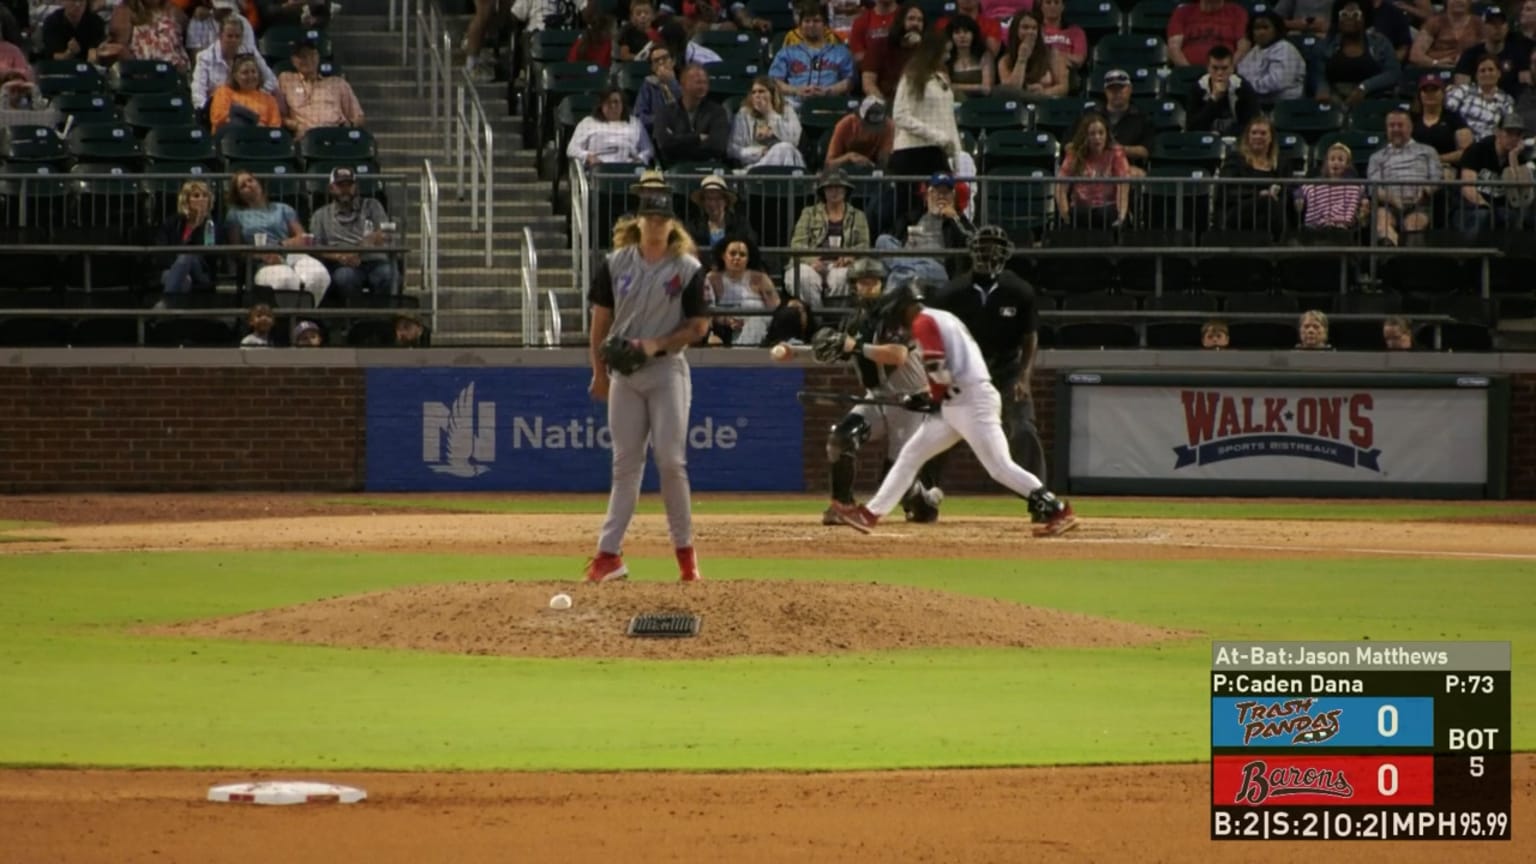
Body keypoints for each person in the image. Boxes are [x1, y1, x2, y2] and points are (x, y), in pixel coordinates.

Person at [824, 277, 1078, 537]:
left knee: (999, 467)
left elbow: (937, 367)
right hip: (958, 400)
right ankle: (869, 514)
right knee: (910, 456)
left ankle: (1057, 510)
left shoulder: (923, 321)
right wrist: (934, 399)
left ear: (906, 307)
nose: (898, 322)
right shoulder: (944, 317)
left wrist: (932, 398)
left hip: (971, 401)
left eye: (898, 314)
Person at [585, 170, 712, 584]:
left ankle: (686, 556)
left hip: (665, 370)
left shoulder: (687, 268)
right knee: (625, 465)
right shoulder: (615, 263)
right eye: (650, 218)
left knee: (671, 461)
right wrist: (598, 373)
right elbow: (599, 324)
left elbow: (699, 327)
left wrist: (655, 344)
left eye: (662, 219)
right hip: (624, 374)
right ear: (638, 222)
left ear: (672, 224)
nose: (656, 224)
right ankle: (608, 555)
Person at [792, 258, 945, 525]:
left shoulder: (897, 315)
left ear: (883, 285)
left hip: (911, 402)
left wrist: (854, 346)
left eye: (874, 282)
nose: (868, 287)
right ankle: (842, 506)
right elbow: (839, 350)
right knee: (841, 438)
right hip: (878, 398)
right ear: (854, 287)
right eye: (863, 282)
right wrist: (794, 351)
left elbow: (897, 355)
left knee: (893, 480)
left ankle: (925, 501)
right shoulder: (854, 322)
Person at [930, 226, 1047, 490]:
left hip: (1007, 368)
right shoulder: (951, 293)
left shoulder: (1019, 290)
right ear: (973, 251)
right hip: (964, 373)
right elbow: (936, 338)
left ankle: (1038, 495)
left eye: (995, 246)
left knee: (1023, 428)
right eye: (984, 246)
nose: (989, 252)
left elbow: (1030, 337)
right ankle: (924, 495)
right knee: (937, 431)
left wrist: (1024, 377)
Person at [224, 170, 332, 306]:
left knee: (319, 276)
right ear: (239, 195)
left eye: (250, 180)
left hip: (291, 253)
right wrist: (260, 255)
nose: (249, 185)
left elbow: (302, 237)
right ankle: (290, 317)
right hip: (262, 260)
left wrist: (286, 244)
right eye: (243, 186)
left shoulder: (283, 208)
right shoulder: (235, 214)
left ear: (258, 182)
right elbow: (237, 251)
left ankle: (304, 314)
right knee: (286, 280)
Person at [889, 31, 963, 221]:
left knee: (944, 209)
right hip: (911, 153)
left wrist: (956, 153)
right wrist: (936, 135)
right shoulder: (911, 76)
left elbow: (948, 119)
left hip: (938, 152)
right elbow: (900, 115)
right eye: (944, 52)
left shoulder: (942, 79)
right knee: (909, 211)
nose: (947, 57)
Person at [310, 167, 398, 301]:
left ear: (355, 187)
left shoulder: (372, 205)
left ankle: (383, 311)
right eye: (340, 185)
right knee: (345, 277)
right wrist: (339, 256)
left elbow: (385, 232)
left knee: (388, 274)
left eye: (349, 185)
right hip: (343, 265)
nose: (345, 189)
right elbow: (315, 247)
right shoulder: (321, 215)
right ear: (331, 188)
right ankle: (355, 312)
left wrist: (362, 247)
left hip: (374, 261)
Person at [787, 168, 871, 307]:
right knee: (804, 277)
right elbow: (797, 244)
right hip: (811, 264)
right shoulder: (809, 213)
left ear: (845, 190)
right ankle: (816, 317)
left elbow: (864, 245)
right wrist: (812, 260)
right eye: (830, 187)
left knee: (842, 277)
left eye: (838, 187)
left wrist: (850, 256)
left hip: (842, 265)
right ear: (823, 191)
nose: (834, 191)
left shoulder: (858, 215)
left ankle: (836, 318)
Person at [876, 172, 975, 284]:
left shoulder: (958, 220)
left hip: (935, 265)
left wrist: (955, 219)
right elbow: (893, 239)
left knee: (902, 272)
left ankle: (901, 273)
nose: (941, 196)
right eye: (937, 192)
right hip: (908, 257)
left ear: (952, 196)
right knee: (883, 240)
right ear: (929, 194)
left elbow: (972, 241)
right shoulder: (913, 216)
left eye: (946, 193)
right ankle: (905, 269)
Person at [1368, 108, 1443, 244]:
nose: (1396, 129)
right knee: (1382, 223)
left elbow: (1436, 178)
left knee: (1413, 226)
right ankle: (1390, 252)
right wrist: (1393, 199)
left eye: (1400, 125)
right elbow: (1374, 187)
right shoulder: (1376, 157)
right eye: (1392, 126)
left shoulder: (1428, 151)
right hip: (1389, 204)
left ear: (1410, 128)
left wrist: (1425, 191)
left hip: (1420, 205)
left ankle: (1409, 255)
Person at [1457, 112, 1535, 238]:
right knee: (1484, 216)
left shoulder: (1519, 157)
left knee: (1523, 218)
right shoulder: (1478, 150)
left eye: (1518, 134)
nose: (1514, 138)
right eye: (1509, 132)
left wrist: (1513, 158)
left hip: (1502, 208)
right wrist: (1487, 208)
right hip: (1472, 207)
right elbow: (1468, 188)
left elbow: (1520, 196)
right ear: (1497, 132)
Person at [769, 3, 856, 109]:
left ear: (825, 25)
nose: (811, 25)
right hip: (795, 106)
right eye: (807, 21)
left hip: (831, 105)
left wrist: (828, 90)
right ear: (800, 26)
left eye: (816, 21)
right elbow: (774, 81)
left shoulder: (841, 52)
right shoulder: (787, 53)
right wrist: (796, 90)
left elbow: (850, 82)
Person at [279, 37, 366, 139]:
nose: (307, 59)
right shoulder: (286, 80)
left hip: (336, 132)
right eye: (302, 56)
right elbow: (280, 116)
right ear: (293, 61)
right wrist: (297, 126)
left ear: (317, 56)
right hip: (307, 137)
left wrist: (349, 126)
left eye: (311, 55)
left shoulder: (337, 83)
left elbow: (359, 117)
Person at [1055, 113, 1131, 229]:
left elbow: (1123, 186)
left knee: (1104, 215)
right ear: (1085, 136)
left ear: (1106, 135)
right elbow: (1061, 187)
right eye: (1092, 134)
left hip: (1108, 208)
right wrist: (1065, 216)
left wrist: (1121, 216)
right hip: (1081, 209)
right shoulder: (1074, 153)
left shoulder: (1116, 153)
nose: (1097, 138)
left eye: (1101, 133)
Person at [1317, 0, 1400, 107]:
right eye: (1344, 15)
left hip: (1373, 101)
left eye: (1356, 15)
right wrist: (1322, 89)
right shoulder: (1327, 44)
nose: (1349, 19)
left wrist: (1364, 87)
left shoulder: (1380, 43)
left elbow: (1393, 73)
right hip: (1334, 101)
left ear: (1365, 18)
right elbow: (1318, 73)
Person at [1216, 115, 1286, 234]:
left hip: (1270, 212)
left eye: (1263, 133)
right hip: (1239, 210)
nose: (1258, 136)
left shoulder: (1280, 162)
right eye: (1254, 133)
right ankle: (1279, 241)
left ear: (1271, 138)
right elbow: (1227, 189)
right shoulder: (1235, 159)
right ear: (1248, 137)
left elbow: (1287, 188)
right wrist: (1258, 194)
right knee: (1268, 201)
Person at [705, 236, 779, 346]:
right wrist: (727, 320)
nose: (737, 258)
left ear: (748, 259)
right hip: (726, 329)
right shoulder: (712, 278)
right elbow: (707, 308)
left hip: (760, 326)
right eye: (733, 253)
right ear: (723, 256)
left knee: (756, 321)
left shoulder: (760, 278)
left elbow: (776, 308)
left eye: (742, 255)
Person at [192, 17, 276, 114]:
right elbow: (198, 92)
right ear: (220, 36)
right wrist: (207, 111)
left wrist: (257, 96)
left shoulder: (250, 51)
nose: (234, 40)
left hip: (250, 108)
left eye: (237, 36)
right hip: (218, 109)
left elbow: (271, 80)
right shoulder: (204, 57)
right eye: (230, 36)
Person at [652, 63, 731, 165]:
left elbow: (718, 146)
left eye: (705, 82)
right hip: (674, 168)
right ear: (683, 84)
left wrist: (679, 142)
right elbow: (664, 144)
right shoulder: (665, 112)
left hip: (707, 167)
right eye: (698, 82)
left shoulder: (717, 112)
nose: (702, 86)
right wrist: (697, 138)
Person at [156, 179, 220, 295]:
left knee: (187, 256)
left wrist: (198, 224)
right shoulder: (172, 223)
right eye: (196, 196)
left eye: (205, 196)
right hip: (170, 269)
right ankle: (172, 305)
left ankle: (164, 304)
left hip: (201, 273)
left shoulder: (212, 225)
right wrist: (179, 268)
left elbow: (210, 256)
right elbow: (161, 251)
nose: (201, 199)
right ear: (186, 200)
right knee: (185, 280)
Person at [729, 76, 807, 169]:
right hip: (757, 164)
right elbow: (733, 149)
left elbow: (792, 141)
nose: (757, 95)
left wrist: (769, 113)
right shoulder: (744, 114)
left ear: (772, 94)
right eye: (754, 92)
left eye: (761, 91)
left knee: (785, 148)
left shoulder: (787, 110)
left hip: (787, 158)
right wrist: (759, 152)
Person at [567, 85, 654, 167]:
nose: (613, 106)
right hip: (597, 168)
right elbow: (572, 149)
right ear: (601, 105)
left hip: (628, 168)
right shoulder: (588, 122)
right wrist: (588, 156)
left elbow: (648, 149)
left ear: (622, 105)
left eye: (616, 102)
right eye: (608, 102)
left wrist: (640, 159)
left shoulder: (635, 123)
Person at [1453, 6, 1533, 94]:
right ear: (1483, 27)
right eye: (1492, 23)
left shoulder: (1519, 54)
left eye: (1501, 23)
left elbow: (1526, 88)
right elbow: (1460, 89)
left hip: (1510, 100)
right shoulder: (1470, 55)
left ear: (1507, 27)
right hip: (1476, 100)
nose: (1497, 27)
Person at [1295, 141, 1368, 234]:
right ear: (1327, 163)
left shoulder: (1353, 185)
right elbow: (1300, 190)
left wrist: (1364, 201)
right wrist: (1299, 197)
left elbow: (1362, 193)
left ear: (1347, 164)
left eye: (1340, 160)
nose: (1336, 163)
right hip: (1317, 226)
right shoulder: (1316, 182)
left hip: (1342, 226)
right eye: (1332, 159)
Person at [1187, 45, 1259, 135]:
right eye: (1215, 68)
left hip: (1236, 138)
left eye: (1224, 68)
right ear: (1208, 68)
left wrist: (1225, 134)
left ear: (1232, 68)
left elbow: (1252, 125)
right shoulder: (1198, 88)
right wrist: (1213, 99)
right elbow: (1191, 127)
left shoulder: (1242, 87)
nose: (1219, 73)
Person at [1237, 10, 1307, 103]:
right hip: (1258, 102)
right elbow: (1241, 74)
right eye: (1257, 28)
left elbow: (1277, 82)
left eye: (1265, 28)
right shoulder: (1255, 50)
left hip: (1285, 104)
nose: (1261, 32)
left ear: (1276, 30)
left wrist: (1246, 87)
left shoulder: (1285, 48)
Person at [858, 0, 920, 103]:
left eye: (920, 20)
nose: (915, 23)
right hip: (887, 101)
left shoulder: (927, 50)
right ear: (901, 21)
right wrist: (884, 105)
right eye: (911, 19)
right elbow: (868, 83)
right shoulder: (880, 46)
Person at [997, 10, 1068, 98]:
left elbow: (1063, 87)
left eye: (1034, 28)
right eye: (1025, 27)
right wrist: (1022, 58)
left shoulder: (1052, 53)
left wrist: (1043, 92)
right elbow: (1012, 90)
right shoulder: (1005, 61)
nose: (1030, 32)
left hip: (1046, 101)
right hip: (1018, 102)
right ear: (1015, 30)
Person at [103, 0, 190, 71]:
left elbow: (187, 43)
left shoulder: (173, 10)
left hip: (177, 74)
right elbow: (119, 50)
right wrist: (141, 70)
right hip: (142, 75)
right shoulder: (124, 11)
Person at [1413, 73, 1475, 173]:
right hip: (1415, 168)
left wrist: (1438, 159)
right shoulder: (1411, 119)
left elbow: (1467, 152)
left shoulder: (1454, 119)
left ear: (1443, 93)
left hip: (1446, 168)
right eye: (1425, 90)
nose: (1430, 94)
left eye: (1434, 90)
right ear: (1420, 95)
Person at [1446, 55, 1517, 140]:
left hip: (1490, 142)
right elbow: (1447, 112)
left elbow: (1509, 126)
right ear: (1476, 75)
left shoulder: (1506, 100)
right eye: (1482, 71)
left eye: (1491, 70)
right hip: (1462, 139)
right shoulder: (1463, 91)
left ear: (1499, 73)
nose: (1487, 74)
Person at [685, 175, 758, 255]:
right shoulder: (694, 226)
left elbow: (751, 245)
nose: (713, 203)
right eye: (709, 199)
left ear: (726, 201)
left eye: (718, 199)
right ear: (703, 202)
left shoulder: (740, 224)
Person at [1096, 69, 1154, 169]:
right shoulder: (1091, 115)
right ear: (1105, 91)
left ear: (1130, 89)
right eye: (1112, 89)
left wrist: (1119, 149)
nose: (1117, 92)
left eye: (1121, 88)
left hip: (1129, 167)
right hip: (1094, 167)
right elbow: (1070, 144)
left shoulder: (1142, 118)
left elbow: (1145, 151)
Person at [209, 54, 281, 132]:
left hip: (261, 136)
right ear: (235, 76)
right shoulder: (224, 92)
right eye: (245, 73)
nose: (250, 76)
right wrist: (252, 124)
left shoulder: (269, 100)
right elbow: (218, 119)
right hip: (231, 135)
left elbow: (275, 128)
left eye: (253, 72)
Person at [1168, 0, 1251, 68]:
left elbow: (1243, 48)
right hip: (1188, 73)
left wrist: (1225, 69)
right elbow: (1174, 48)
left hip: (1225, 73)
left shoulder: (1237, 12)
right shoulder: (1182, 12)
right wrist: (1189, 70)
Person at [1410, 0, 1483, 71]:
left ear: (1469, 1)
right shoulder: (1434, 22)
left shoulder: (1478, 23)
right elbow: (1415, 55)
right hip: (1436, 70)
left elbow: (1485, 50)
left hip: (1468, 69)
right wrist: (1436, 63)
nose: (1458, 1)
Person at [826, 95, 894, 170]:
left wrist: (882, 159)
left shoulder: (888, 126)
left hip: (871, 170)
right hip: (843, 170)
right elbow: (829, 164)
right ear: (859, 117)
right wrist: (849, 157)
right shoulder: (844, 125)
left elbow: (883, 162)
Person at [633, 42, 682, 133]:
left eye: (664, 58)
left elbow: (687, 109)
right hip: (657, 133)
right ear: (652, 67)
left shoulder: (686, 80)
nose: (661, 62)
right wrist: (660, 120)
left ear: (673, 61)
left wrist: (671, 82)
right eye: (656, 60)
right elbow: (638, 116)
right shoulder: (648, 85)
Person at [41, 0, 107, 64]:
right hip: (60, 67)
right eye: (73, 0)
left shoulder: (96, 22)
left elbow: (97, 48)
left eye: (81, 0)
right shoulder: (52, 22)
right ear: (62, 1)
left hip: (87, 67)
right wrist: (69, 53)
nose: (78, 4)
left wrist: (95, 54)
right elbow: (52, 57)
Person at [945, 14, 995, 99]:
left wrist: (955, 86)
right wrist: (977, 87)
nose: (962, 36)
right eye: (957, 32)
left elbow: (987, 89)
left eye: (966, 31)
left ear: (973, 34)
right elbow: (945, 87)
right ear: (951, 36)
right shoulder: (946, 58)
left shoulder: (984, 56)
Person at [1038, 0, 1088, 76]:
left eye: (1056, 2)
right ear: (1041, 7)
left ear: (1063, 7)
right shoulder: (1035, 29)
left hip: (1067, 74)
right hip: (1039, 73)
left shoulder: (1076, 31)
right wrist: (1064, 56)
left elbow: (1079, 60)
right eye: (1048, 2)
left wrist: (1053, 55)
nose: (1052, 6)